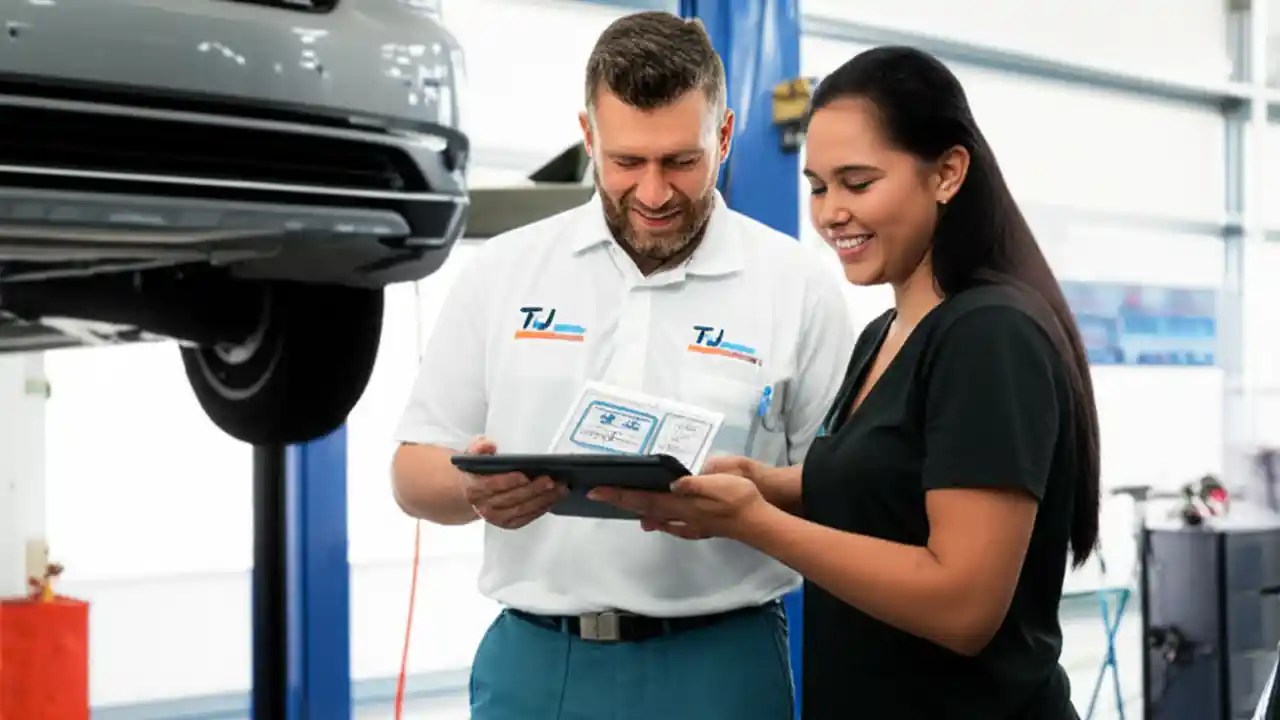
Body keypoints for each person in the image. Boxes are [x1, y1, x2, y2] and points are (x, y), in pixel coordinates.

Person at [591, 45, 1102, 719]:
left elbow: (964, 604)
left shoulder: (990, 336)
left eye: (858, 184)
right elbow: (895, 487)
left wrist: (758, 524)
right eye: (819, 186)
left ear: (947, 173)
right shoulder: (883, 336)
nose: (831, 213)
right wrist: (765, 483)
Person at [390, 11, 855, 720]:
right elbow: (413, 470)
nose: (654, 193)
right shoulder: (504, 271)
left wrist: (749, 506)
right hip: (535, 666)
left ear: (724, 137)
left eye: (681, 161)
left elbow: (848, 495)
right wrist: (473, 492)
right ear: (589, 137)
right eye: (626, 162)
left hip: (721, 664)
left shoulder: (798, 287)